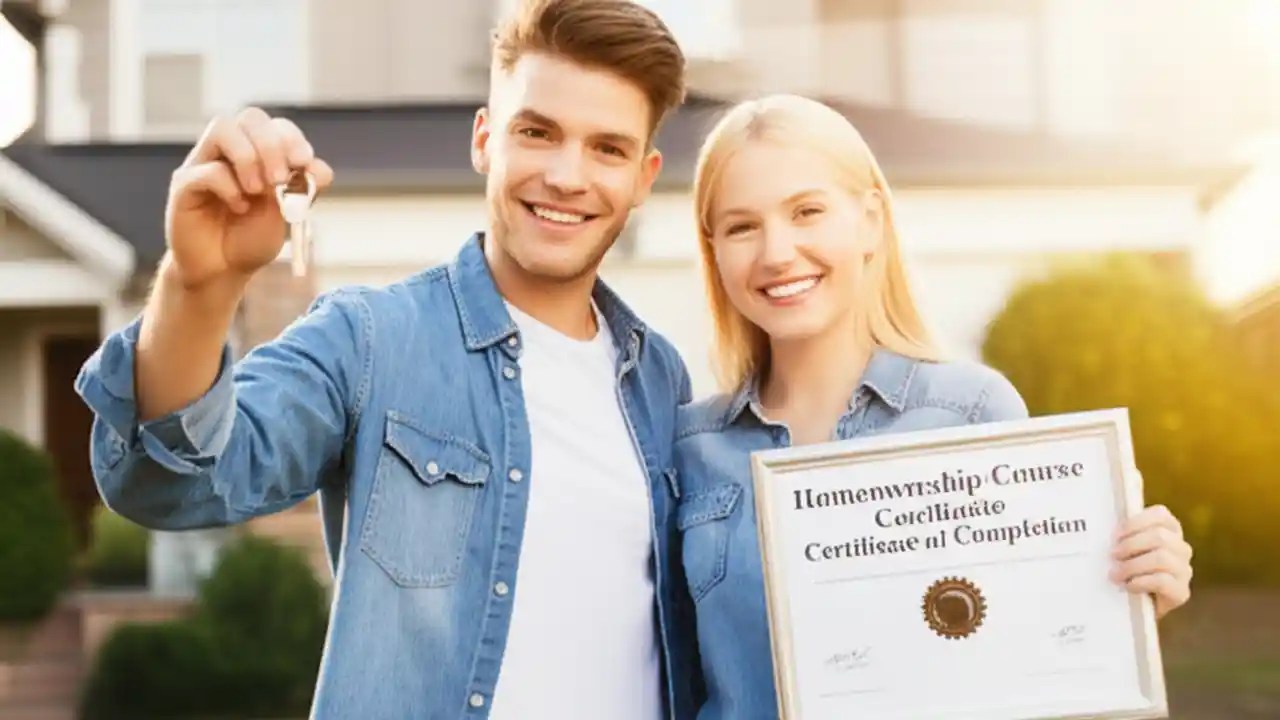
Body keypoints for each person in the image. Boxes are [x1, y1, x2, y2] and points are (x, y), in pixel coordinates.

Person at [73, 1, 703, 717]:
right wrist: (199, 288)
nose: (566, 175)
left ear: (645, 177)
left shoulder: (661, 381)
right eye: (537, 132)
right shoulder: (371, 340)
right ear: (485, 139)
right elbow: (166, 482)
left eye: (607, 149)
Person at [672, 94, 1195, 718]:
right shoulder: (686, 447)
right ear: (715, 250)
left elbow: (1042, 658)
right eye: (742, 226)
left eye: (807, 211)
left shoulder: (972, 411)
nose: (777, 251)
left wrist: (1130, 598)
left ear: (869, 220)